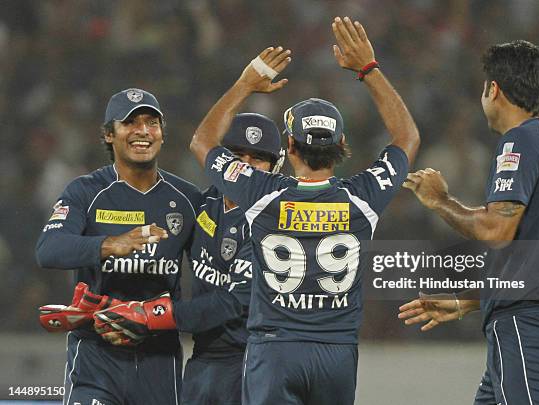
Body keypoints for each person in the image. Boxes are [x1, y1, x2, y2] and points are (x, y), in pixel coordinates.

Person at [189, 16, 420, 405]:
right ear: (341, 143)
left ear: (289, 147)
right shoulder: (363, 198)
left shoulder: (261, 192)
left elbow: (202, 141)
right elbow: (407, 137)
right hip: (337, 352)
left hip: (275, 349)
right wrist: (368, 69)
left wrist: (246, 83)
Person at [399, 40, 539, 405]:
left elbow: (496, 229)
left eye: (484, 87)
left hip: (529, 327)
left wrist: (439, 200)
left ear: (494, 89)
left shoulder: (520, 140)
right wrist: (474, 300)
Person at [35, 88, 201, 405]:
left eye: (151, 123)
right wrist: (110, 245)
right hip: (96, 358)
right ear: (109, 135)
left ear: (162, 134)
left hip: (160, 361)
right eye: (129, 123)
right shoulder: (86, 191)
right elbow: (48, 249)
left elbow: (211, 276)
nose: (142, 131)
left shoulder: (187, 199)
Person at [181, 113, 284, 405]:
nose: (246, 166)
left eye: (258, 158)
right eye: (237, 155)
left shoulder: (273, 220)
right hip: (202, 356)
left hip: (250, 361)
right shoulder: (203, 204)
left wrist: (155, 316)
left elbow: (231, 304)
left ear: (275, 166)